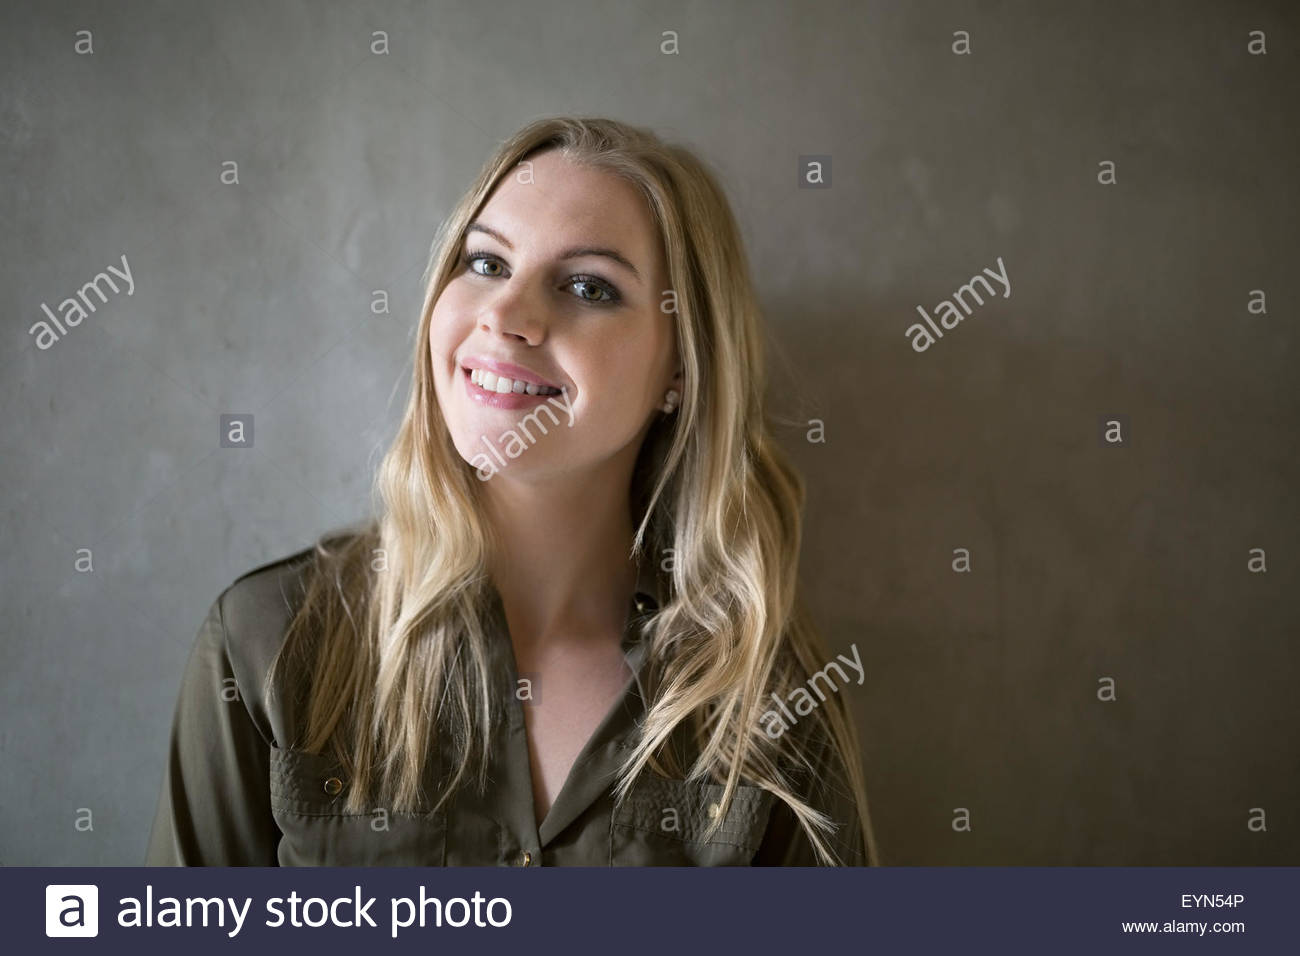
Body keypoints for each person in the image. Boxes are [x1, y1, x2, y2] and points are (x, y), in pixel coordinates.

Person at [146, 116, 882, 867]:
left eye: (589, 287)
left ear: (680, 372)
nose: (505, 314)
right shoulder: (268, 644)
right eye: (488, 264)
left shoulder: (772, 695)